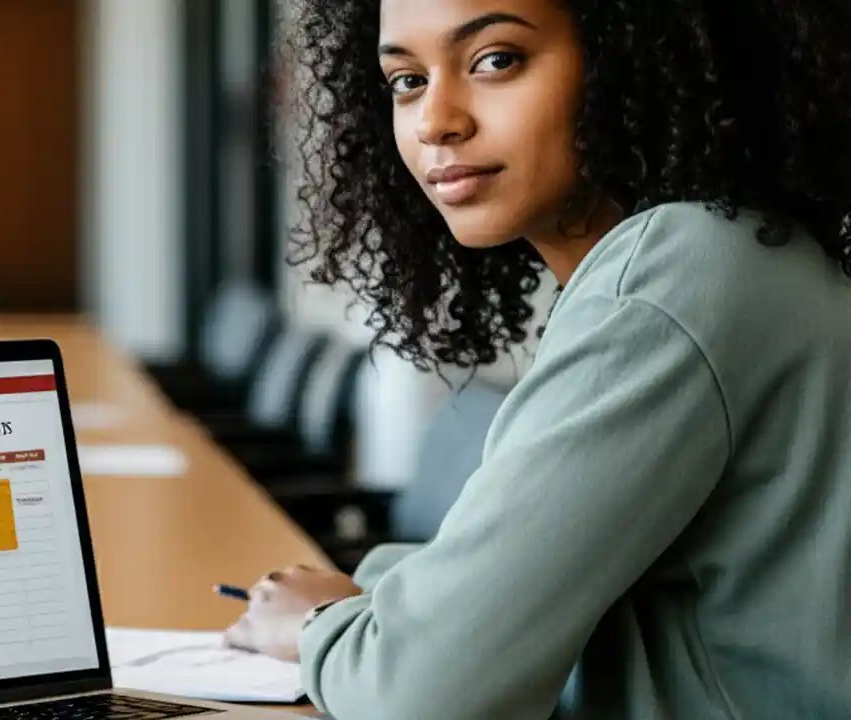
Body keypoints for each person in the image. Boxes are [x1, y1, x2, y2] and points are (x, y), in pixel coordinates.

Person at [223, 1, 851, 718]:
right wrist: (389, 601)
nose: (435, 121)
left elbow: (424, 698)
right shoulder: (734, 254)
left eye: (496, 60)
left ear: (626, 58)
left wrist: (317, 627)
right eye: (407, 81)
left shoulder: (679, 276)